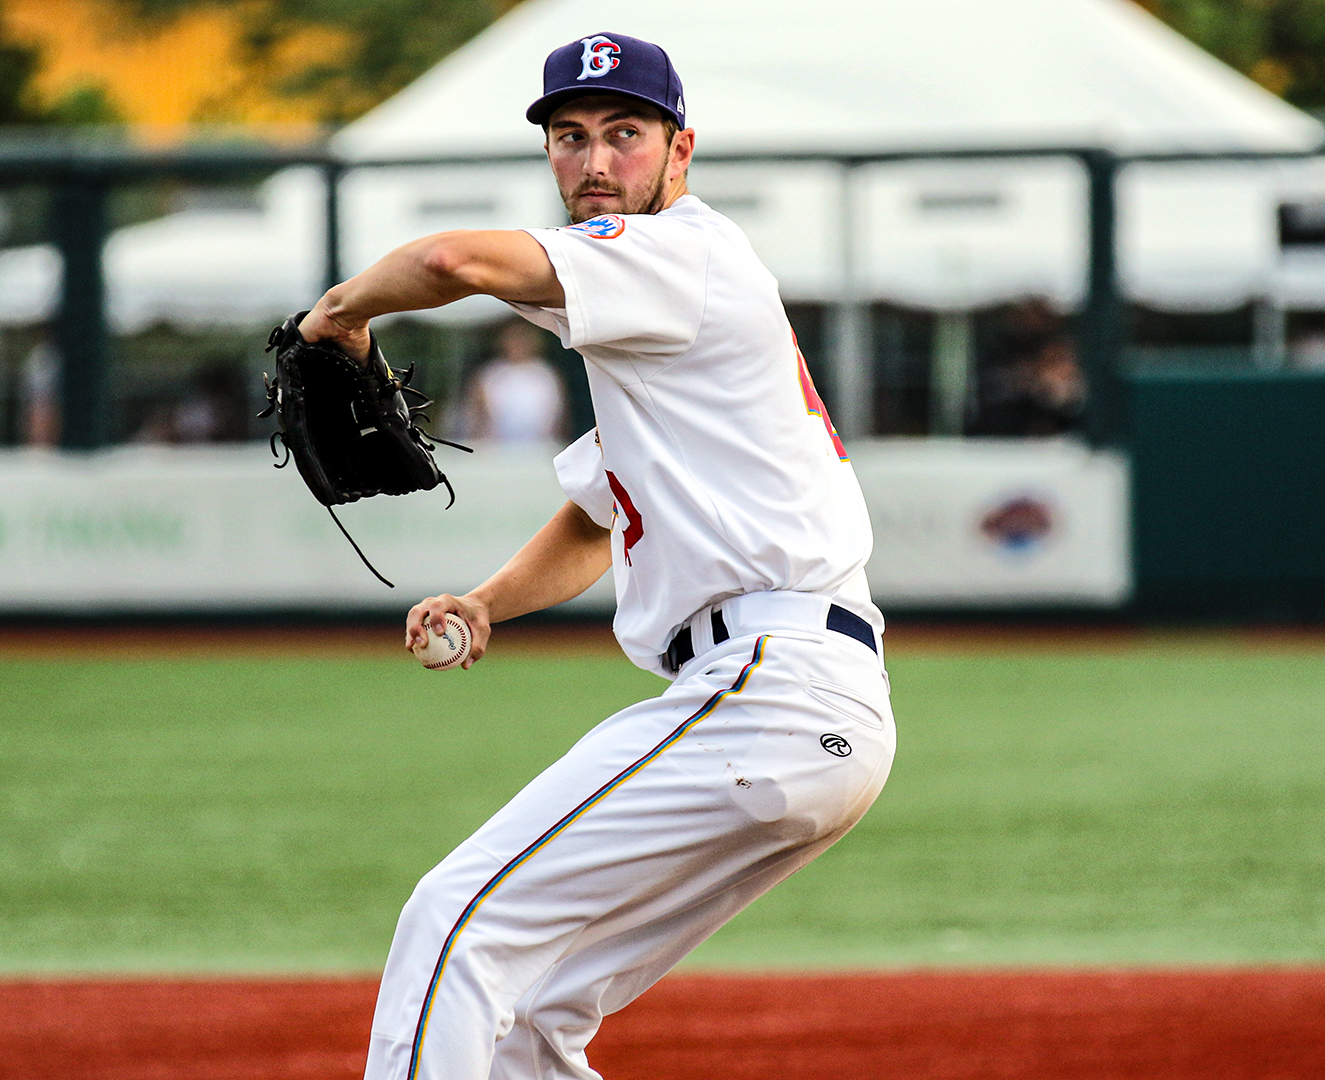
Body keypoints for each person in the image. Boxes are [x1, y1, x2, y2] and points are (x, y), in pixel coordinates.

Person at [295, 32, 893, 1080]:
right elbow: (594, 516)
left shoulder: (678, 257)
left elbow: (449, 262)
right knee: (533, 1018)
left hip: (767, 688)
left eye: (626, 133)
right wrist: (486, 605)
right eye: (570, 138)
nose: (596, 161)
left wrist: (338, 317)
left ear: (681, 151)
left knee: (455, 923)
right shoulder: (650, 328)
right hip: (816, 710)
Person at [464, 321, 567, 445]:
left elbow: (561, 417)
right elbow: (477, 415)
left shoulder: (547, 374)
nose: (517, 344)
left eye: (522, 338)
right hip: (495, 449)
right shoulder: (490, 373)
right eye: (512, 338)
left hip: (540, 448)